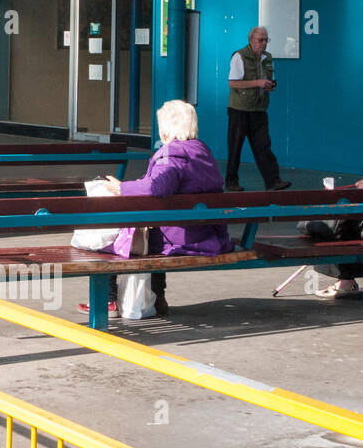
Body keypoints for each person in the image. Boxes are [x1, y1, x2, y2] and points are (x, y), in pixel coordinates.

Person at [81, 99, 232, 319]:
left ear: (164, 130)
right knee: (155, 231)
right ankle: (158, 297)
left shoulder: (171, 155)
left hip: (178, 238)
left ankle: (108, 300)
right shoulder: (203, 153)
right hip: (206, 235)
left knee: (107, 238)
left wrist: (122, 188)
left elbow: (157, 186)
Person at [225, 25, 291, 192]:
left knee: (263, 146)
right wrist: (258, 83)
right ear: (251, 40)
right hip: (239, 109)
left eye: (266, 40)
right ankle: (231, 182)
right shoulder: (239, 56)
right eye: (260, 40)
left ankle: (273, 181)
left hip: (259, 109)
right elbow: (233, 83)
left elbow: (271, 79)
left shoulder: (268, 58)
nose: (263, 44)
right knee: (235, 148)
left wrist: (270, 86)